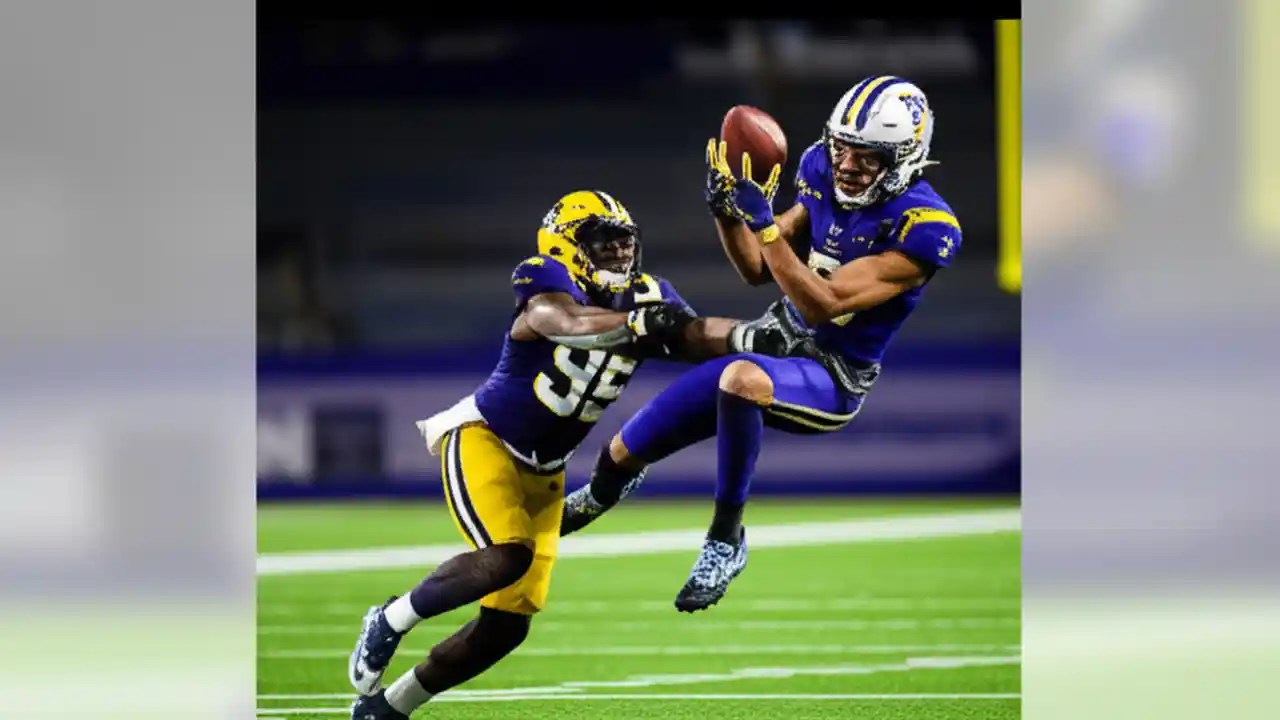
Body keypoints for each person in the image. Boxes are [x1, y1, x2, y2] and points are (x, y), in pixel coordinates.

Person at [347, 190, 784, 719]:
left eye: (625, 242)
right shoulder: (543, 278)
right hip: (485, 439)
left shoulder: (648, 293)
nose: (619, 254)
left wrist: (753, 336)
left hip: (546, 471)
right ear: (568, 247)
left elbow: (690, 335)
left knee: (506, 627)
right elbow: (565, 324)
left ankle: (389, 709)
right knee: (506, 557)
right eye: (604, 243)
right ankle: (389, 620)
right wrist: (638, 326)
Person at [560, 76, 965, 613]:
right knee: (619, 453)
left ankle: (726, 540)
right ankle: (598, 498)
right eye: (842, 147)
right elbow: (755, 267)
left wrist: (765, 228)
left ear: (908, 157)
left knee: (740, 379)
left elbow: (823, 301)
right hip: (779, 341)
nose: (846, 165)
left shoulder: (927, 226)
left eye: (867, 157)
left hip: (833, 373)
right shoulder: (819, 165)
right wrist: (726, 211)